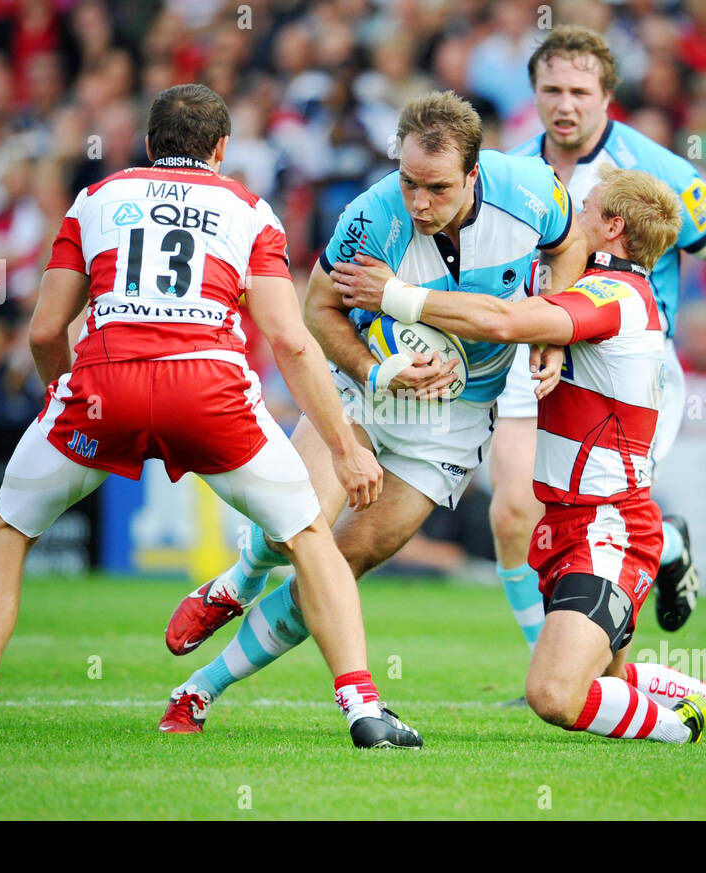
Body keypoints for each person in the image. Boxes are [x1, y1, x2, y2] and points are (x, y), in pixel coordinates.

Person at [0, 83, 421, 750]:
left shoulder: (96, 199)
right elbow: (292, 339)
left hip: (105, 388)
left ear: (149, 145)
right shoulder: (249, 209)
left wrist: (63, 405)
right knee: (308, 538)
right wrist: (345, 447)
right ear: (221, 149)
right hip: (207, 391)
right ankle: (363, 711)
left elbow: (45, 331)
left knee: (8, 529)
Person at [337, 165, 706, 744]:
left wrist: (392, 295)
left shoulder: (613, 294)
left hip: (608, 527)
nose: (568, 215)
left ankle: (681, 731)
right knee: (605, 676)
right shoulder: (597, 288)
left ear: (612, 227)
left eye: (584, 207)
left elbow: (504, 320)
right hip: (570, 525)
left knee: (555, 694)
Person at [159, 90, 587, 733]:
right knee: (293, 530)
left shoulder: (531, 192)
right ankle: (238, 582)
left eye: (437, 188)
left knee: (342, 561)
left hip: (456, 420)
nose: (418, 201)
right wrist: (373, 368)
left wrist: (553, 333)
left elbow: (570, 244)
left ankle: (199, 690)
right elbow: (317, 311)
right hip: (364, 394)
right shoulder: (370, 217)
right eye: (409, 180)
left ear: (475, 173)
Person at [490, 25, 706, 662]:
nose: (566, 104)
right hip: (539, 353)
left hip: (626, 369)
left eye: (580, 91)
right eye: (552, 89)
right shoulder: (514, 170)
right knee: (512, 512)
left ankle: (651, 575)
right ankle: (553, 661)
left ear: (607, 96)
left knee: (601, 524)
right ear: (533, 92)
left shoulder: (653, 167)